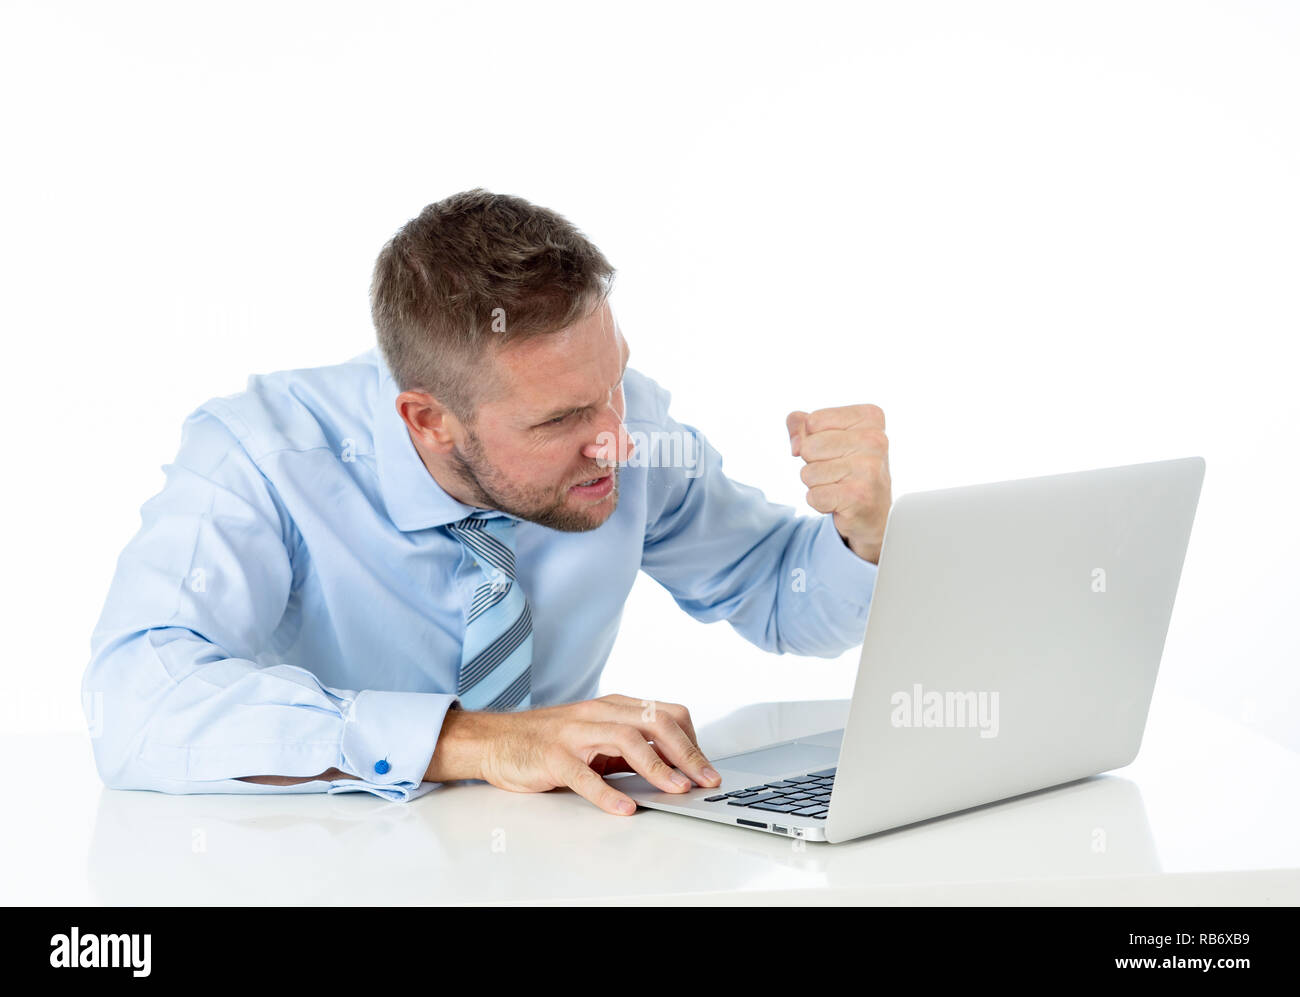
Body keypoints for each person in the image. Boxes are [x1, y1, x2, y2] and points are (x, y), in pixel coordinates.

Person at [82, 188, 891, 815]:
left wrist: (860, 538)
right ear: (428, 420)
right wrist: (472, 741)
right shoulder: (262, 458)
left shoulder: (623, 425)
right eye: (563, 418)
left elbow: (780, 597)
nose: (617, 439)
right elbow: (139, 706)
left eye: (613, 383)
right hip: (322, 866)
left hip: (554, 865)